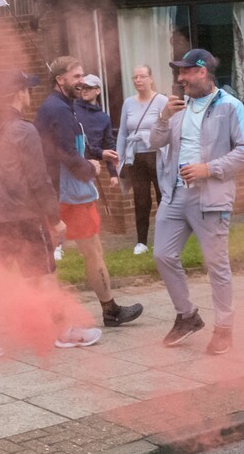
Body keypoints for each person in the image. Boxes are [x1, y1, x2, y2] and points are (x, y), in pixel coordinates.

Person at [0, 71, 98, 357]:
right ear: (20, 94)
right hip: (24, 215)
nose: (29, 94)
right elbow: (38, 180)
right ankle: (64, 332)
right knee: (44, 274)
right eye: (27, 90)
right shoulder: (24, 130)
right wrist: (55, 219)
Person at [151, 48, 244, 355]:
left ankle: (224, 328)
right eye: (178, 72)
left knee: (216, 265)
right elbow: (155, 142)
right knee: (162, 255)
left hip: (211, 197)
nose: (180, 77)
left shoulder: (230, 106)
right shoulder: (177, 107)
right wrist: (163, 117)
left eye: (185, 71)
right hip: (175, 194)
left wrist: (208, 169)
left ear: (202, 72)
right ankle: (187, 316)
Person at [35, 56, 143, 329]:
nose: (81, 81)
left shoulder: (62, 106)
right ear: (60, 80)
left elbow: (74, 145)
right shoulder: (58, 109)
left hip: (59, 191)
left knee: (49, 255)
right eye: (76, 76)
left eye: (82, 76)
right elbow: (65, 153)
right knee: (91, 251)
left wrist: (98, 153)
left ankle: (53, 316)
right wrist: (90, 169)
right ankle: (109, 311)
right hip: (69, 193)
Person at [115, 65, 168, 255]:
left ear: (151, 78)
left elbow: (168, 129)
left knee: (163, 196)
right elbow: (123, 132)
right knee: (141, 198)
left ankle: (164, 239)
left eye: (142, 76)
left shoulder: (162, 101)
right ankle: (141, 242)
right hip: (135, 157)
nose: (138, 80)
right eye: (135, 77)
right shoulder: (128, 103)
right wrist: (119, 157)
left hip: (157, 155)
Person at [73, 73, 119, 187]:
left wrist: (113, 174)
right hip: (72, 164)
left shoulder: (104, 118)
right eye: (82, 87)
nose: (84, 91)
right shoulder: (72, 110)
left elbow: (109, 146)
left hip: (91, 168)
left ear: (98, 90)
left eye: (88, 88)